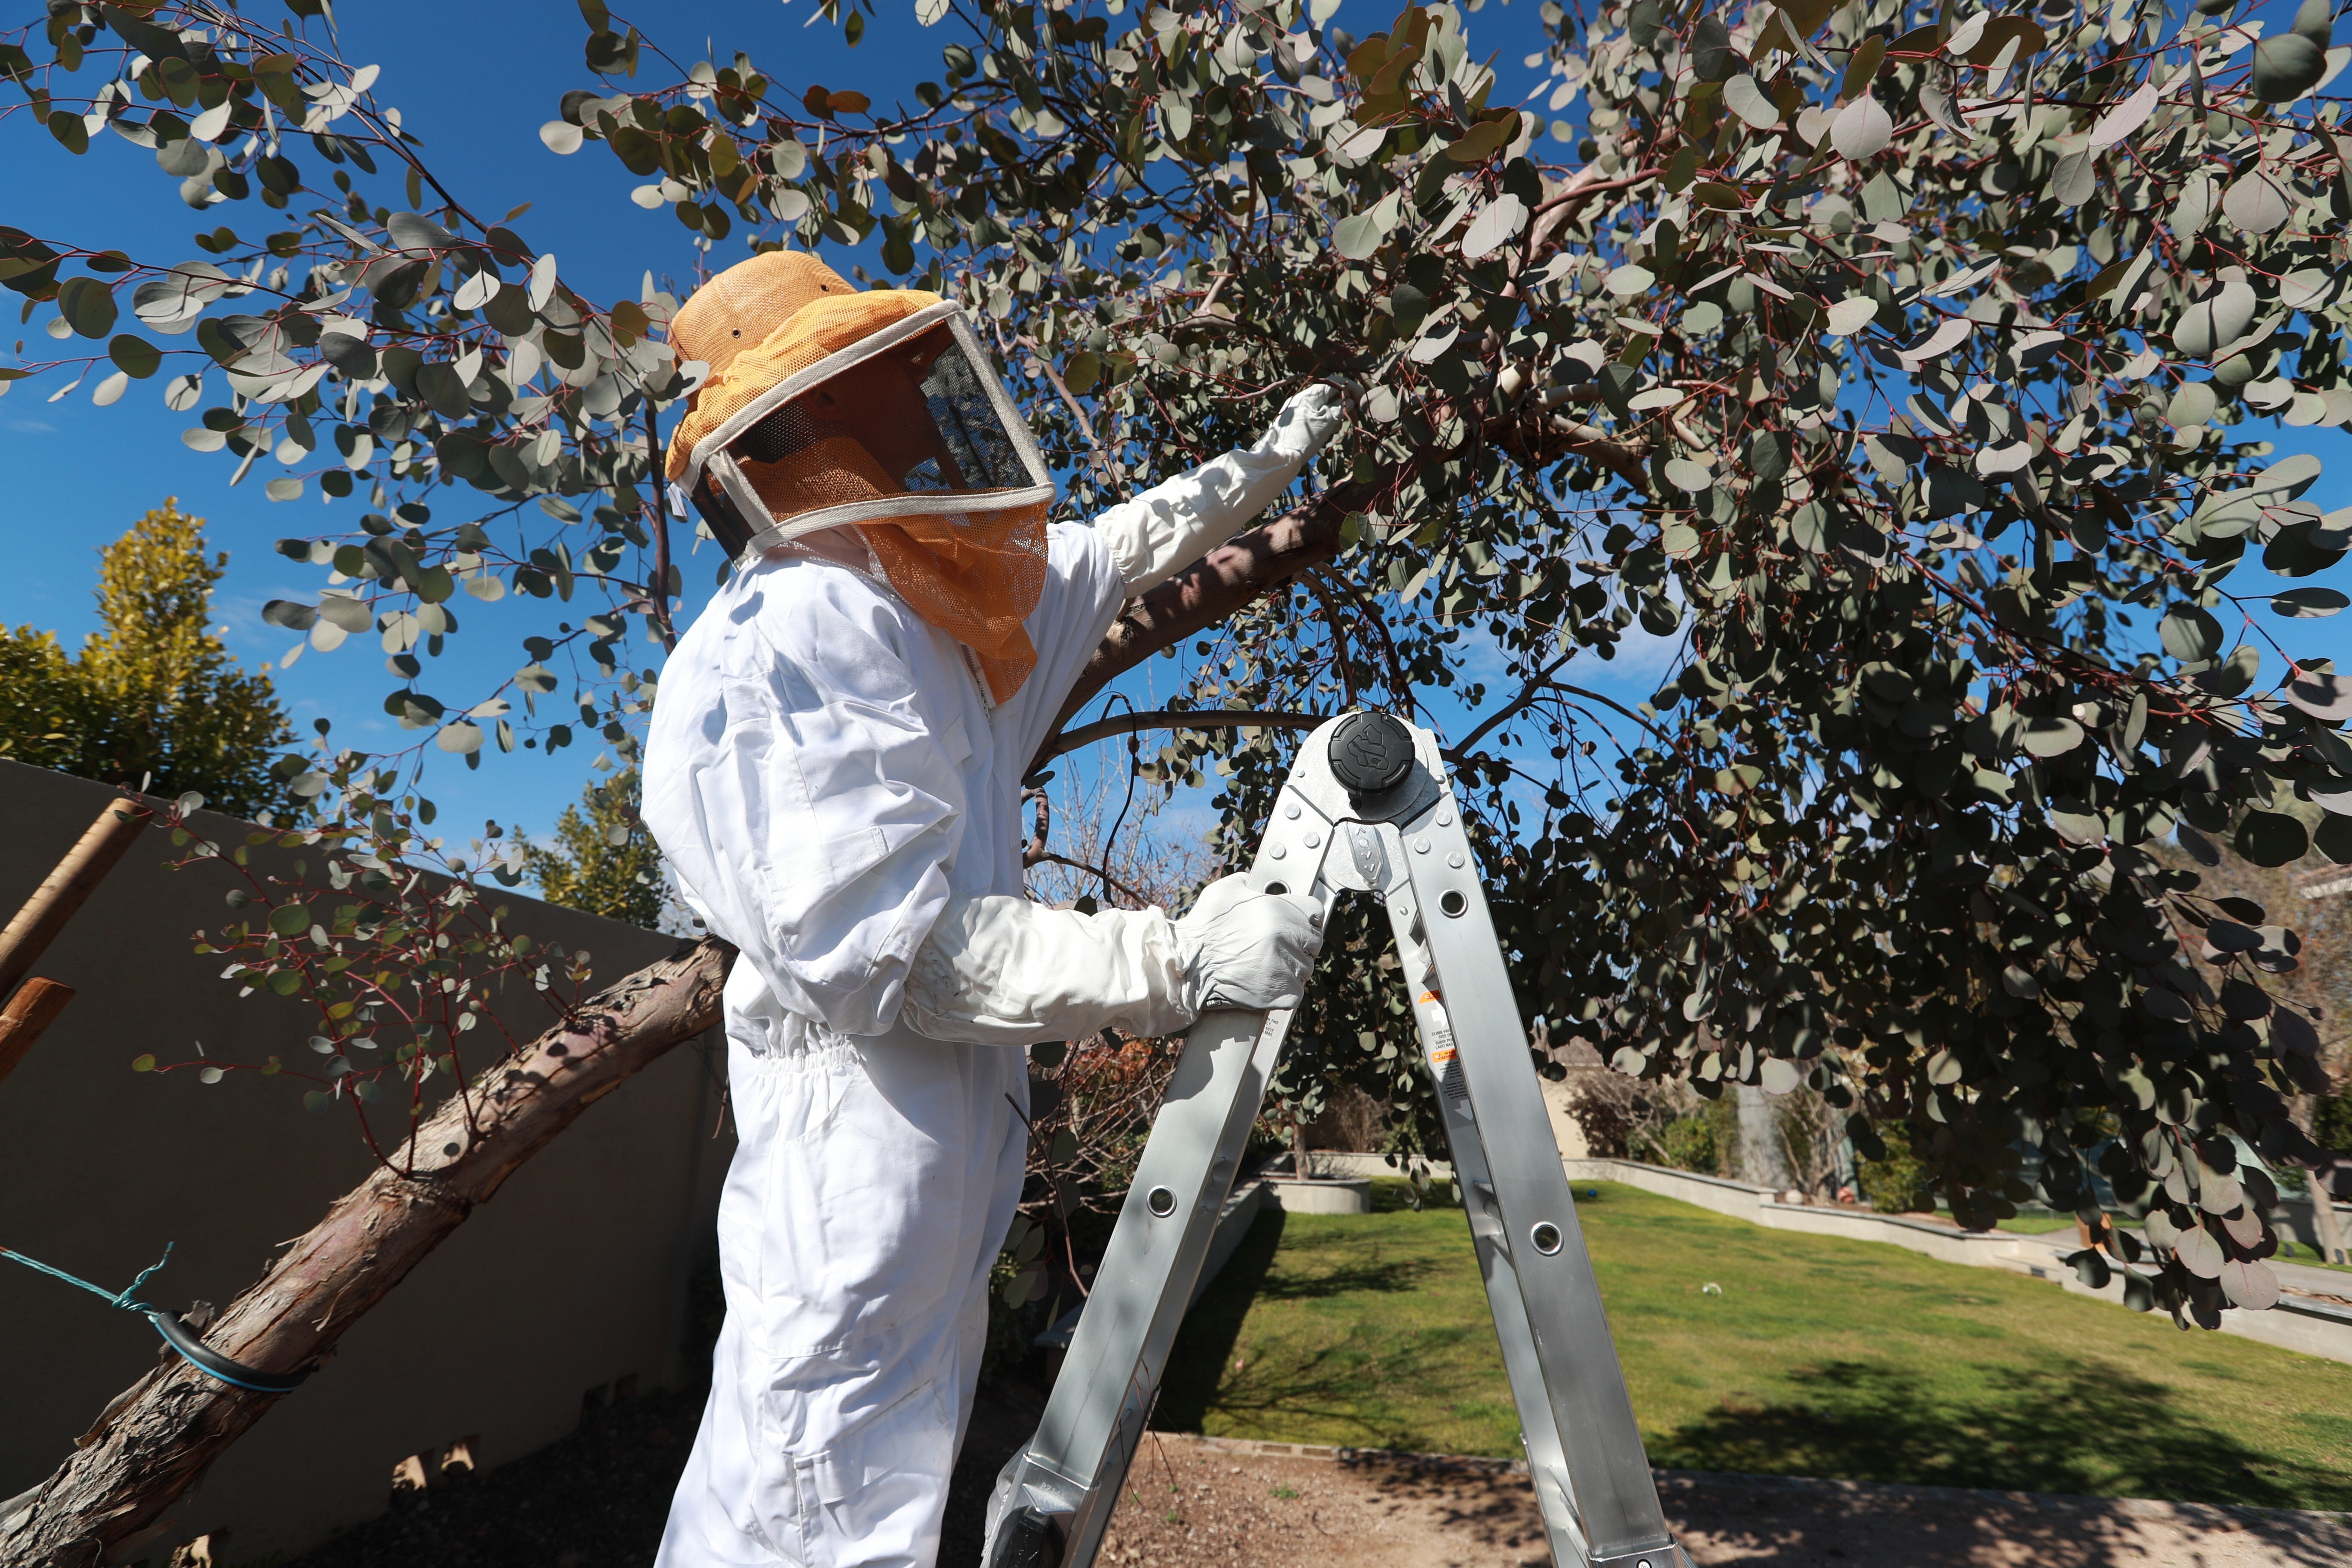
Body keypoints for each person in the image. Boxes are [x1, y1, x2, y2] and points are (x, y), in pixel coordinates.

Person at [639, 251, 1345, 1568]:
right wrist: (1175, 958)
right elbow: (892, 955)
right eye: (863, 393)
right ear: (791, 433)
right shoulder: (783, 639)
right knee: (802, 1525)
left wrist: (1274, 458)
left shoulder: (915, 618)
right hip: (848, 1173)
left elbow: (1117, 549)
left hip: (931, 1163)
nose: (907, 418)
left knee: (882, 1509)